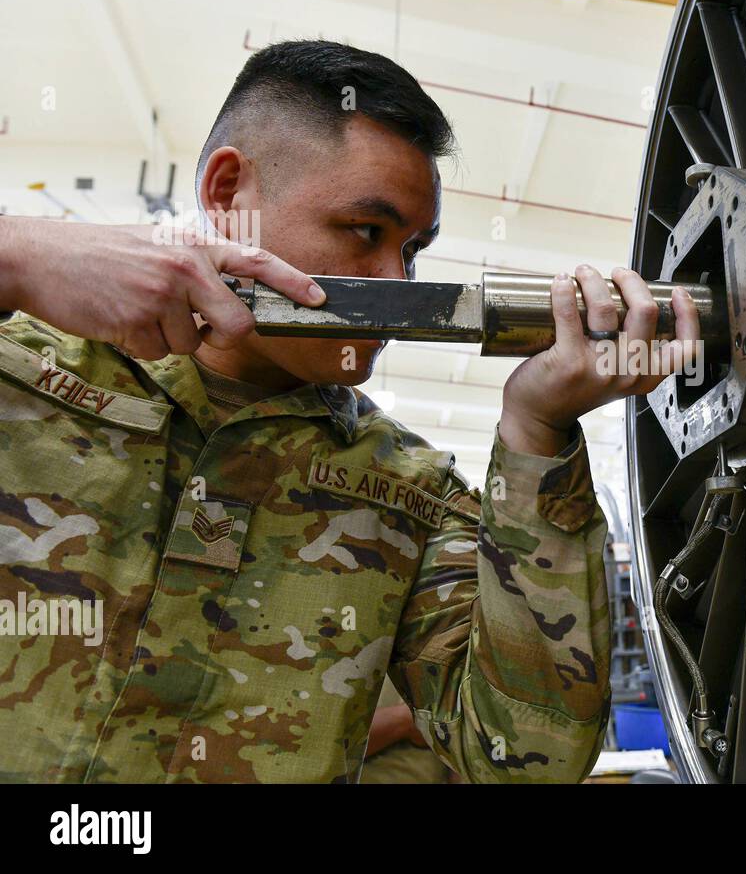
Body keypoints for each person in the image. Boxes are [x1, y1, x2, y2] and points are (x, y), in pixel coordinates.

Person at [0, 40, 698, 783]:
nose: (395, 282)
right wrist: (15, 252)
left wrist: (536, 434)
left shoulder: (414, 493)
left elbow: (524, 756)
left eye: (414, 248)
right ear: (228, 193)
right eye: (365, 231)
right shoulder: (22, 366)